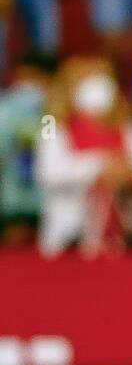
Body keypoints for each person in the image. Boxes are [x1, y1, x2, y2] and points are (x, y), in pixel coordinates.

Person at [35, 57, 132, 258]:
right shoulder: (51, 123)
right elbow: (47, 173)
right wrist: (100, 167)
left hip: (128, 236)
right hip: (71, 237)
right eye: (87, 81)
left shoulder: (130, 127)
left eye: (102, 79)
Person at [0, 52, 56, 245]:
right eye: (22, 78)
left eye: (33, 78)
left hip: (49, 201)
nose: (26, 85)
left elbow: (52, 143)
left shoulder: (53, 112)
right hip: (14, 199)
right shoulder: (6, 109)